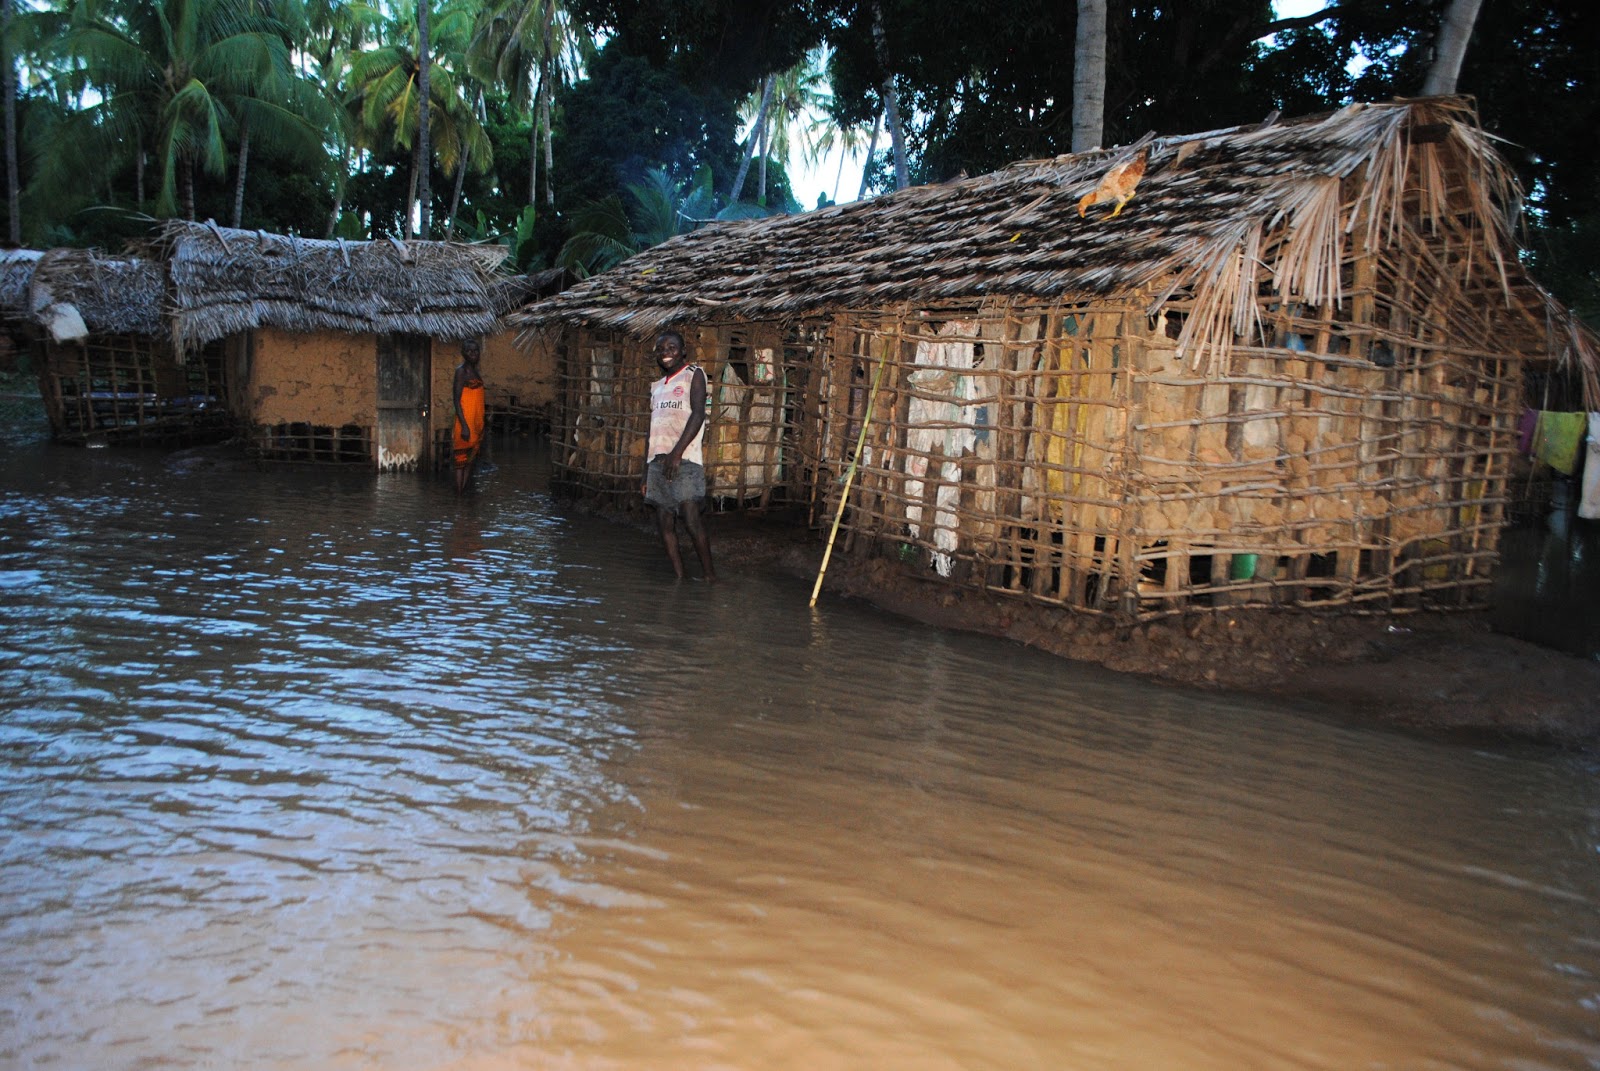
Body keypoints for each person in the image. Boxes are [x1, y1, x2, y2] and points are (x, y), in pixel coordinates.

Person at [642, 329, 716, 581]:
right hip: (657, 460)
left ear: (683, 351)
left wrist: (676, 453)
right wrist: (645, 473)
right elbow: (652, 430)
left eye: (672, 348)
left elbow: (698, 414)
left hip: (684, 458)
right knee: (664, 522)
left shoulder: (694, 374)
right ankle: (680, 578)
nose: (666, 353)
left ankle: (709, 576)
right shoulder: (657, 387)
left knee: (691, 518)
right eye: (661, 349)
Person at [451, 338, 486, 494]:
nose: (473, 354)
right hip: (465, 423)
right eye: (469, 351)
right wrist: (464, 426)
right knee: (460, 461)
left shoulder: (476, 373)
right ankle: (458, 496)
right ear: (463, 353)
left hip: (476, 424)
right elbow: (456, 400)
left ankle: (462, 494)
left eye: (476, 351)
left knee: (470, 461)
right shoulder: (461, 372)